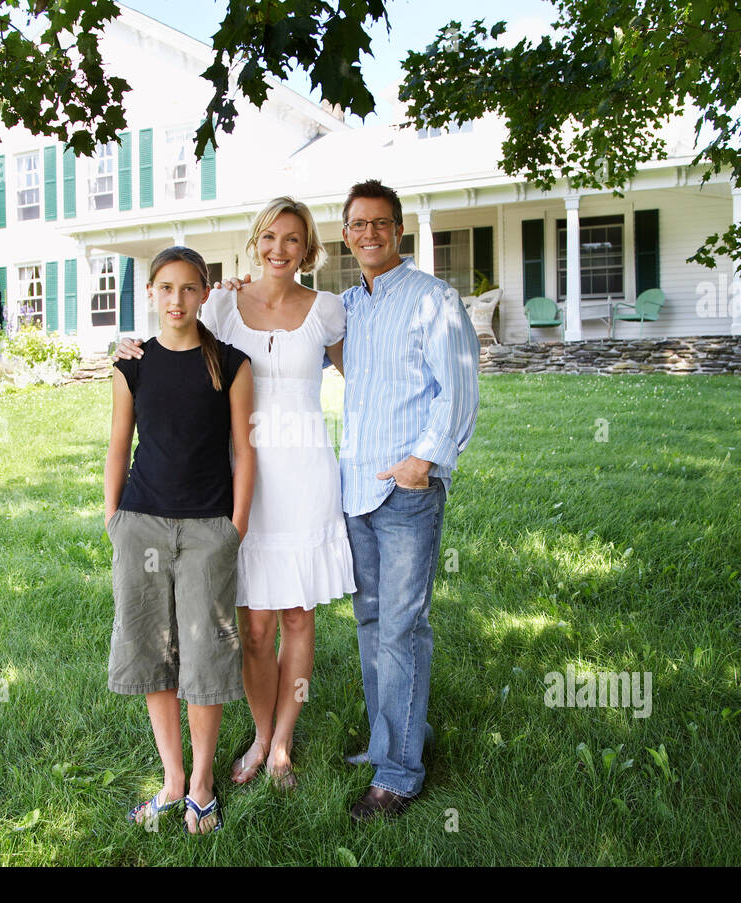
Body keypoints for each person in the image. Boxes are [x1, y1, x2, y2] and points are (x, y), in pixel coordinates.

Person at [114, 198, 354, 790]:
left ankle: (281, 743)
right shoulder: (221, 302)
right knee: (253, 625)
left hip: (304, 474)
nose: (279, 248)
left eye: (293, 239)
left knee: (298, 617)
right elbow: (176, 346)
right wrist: (124, 351)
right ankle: (256, 731)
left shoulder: (327, 311)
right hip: (236, 478)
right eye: (269, 237)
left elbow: (364, 379)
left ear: (309, 249)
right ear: (255, 242)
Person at [337, 179, 479, 821]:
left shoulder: (433, 299)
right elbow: (280, 332)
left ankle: (398, 774)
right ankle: (384, 744)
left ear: (399, 231)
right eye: (358, 224)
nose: (370, 234)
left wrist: (424, 462)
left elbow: (460, 388)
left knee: (400, 629)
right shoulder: (345, 307)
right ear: (346, 234)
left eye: (381, 224)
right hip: (355, 491)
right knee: (371, 625)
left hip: (405, 491)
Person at [104, 245, 255, 834]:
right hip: (141, 521)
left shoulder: (230, 364)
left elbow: (244, 450)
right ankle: (171, 779)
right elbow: (119, 445)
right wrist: (114, 516)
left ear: (205, 293)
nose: (177, 300)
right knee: (153, 653)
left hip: (207, 531)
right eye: (165, 288)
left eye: (189, 288)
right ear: (150, 293)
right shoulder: (133, 365)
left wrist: (234, 527)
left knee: (205, 654)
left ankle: (201, 783)